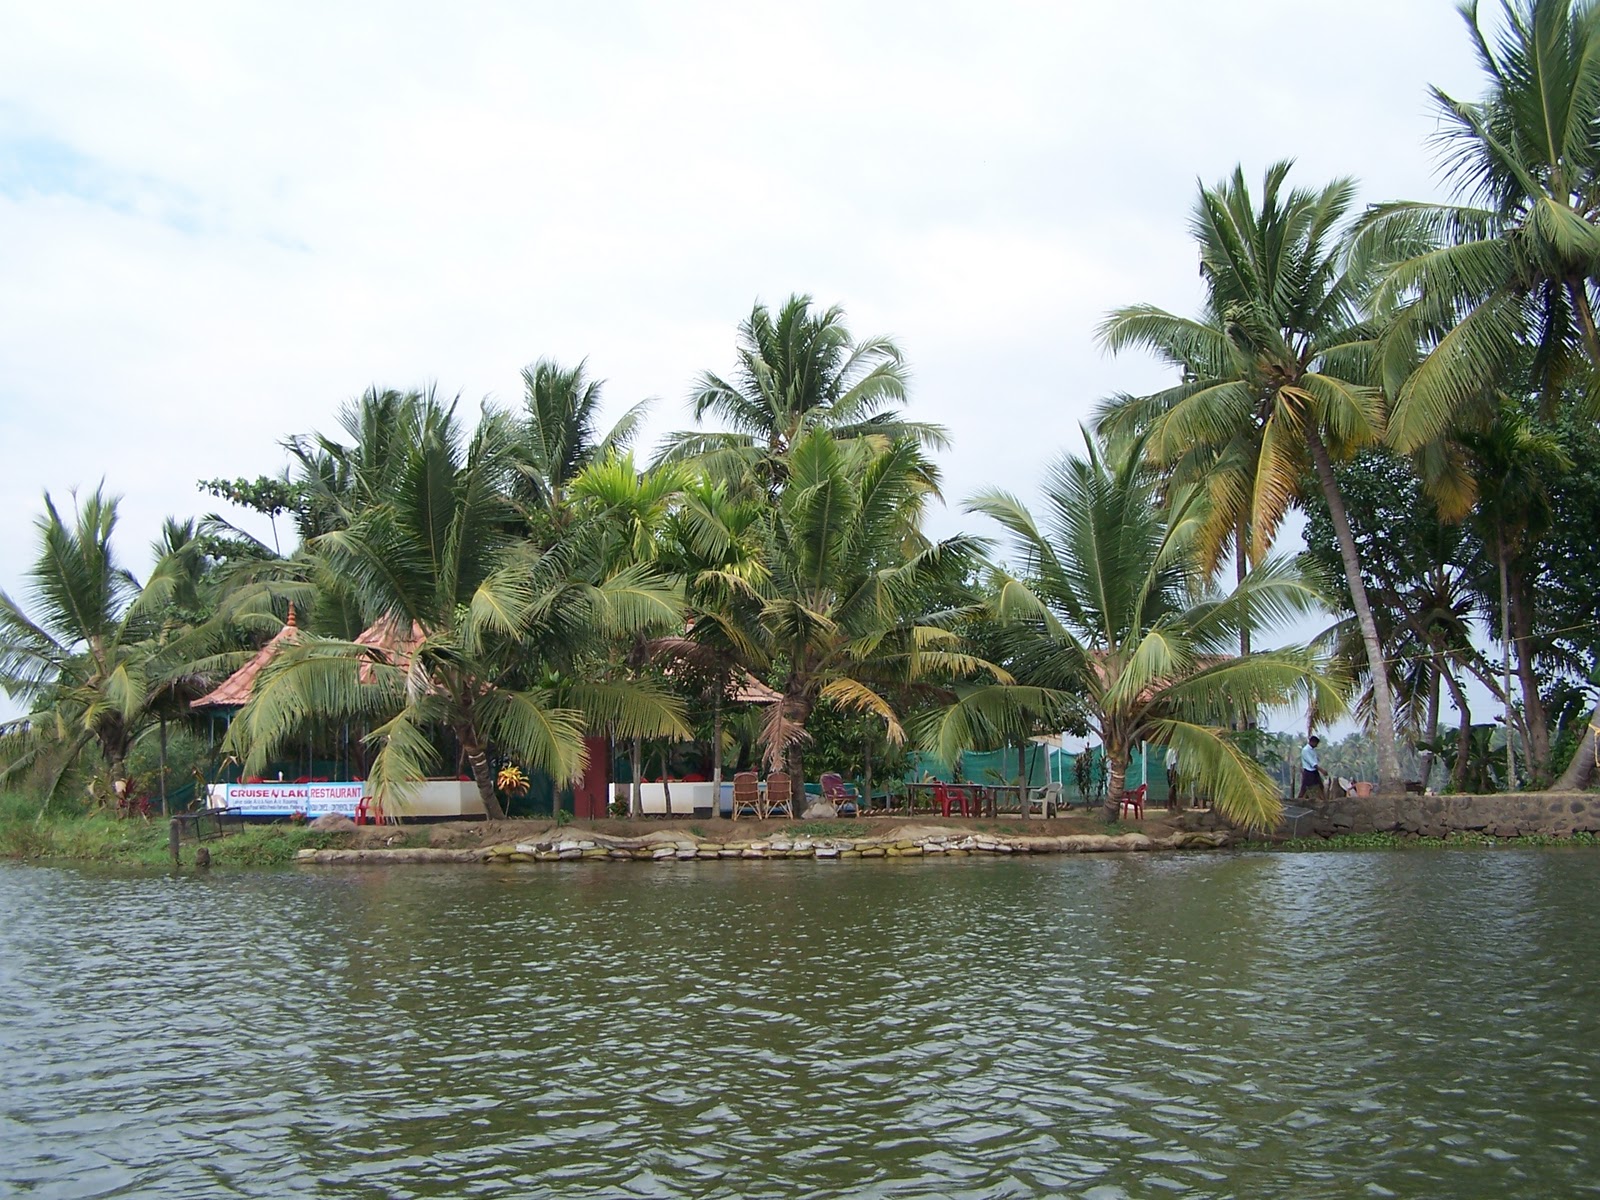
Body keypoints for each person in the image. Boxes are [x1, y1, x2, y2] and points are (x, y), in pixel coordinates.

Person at [1300, 736, 1326, 802]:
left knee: (1320, 786)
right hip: (1308, 771)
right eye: (1316, 743)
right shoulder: (1306, 750)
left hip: (1314, 771)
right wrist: (1322, 770)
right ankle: (1299, 800)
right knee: (1305, 788)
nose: (1316, 745)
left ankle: (1323, 800)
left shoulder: (1312, 750)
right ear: (1312, 742)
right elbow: (1312, 763)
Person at [1165, 746, 1180, 811]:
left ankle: (1174, 805)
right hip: (1172, 771)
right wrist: (1172, 774)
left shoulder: (1169, 751)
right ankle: (1170, 805)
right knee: (1172, 787)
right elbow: (1173, 764)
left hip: (1169, 770)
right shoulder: (1173, 751)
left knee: (1173, 789)